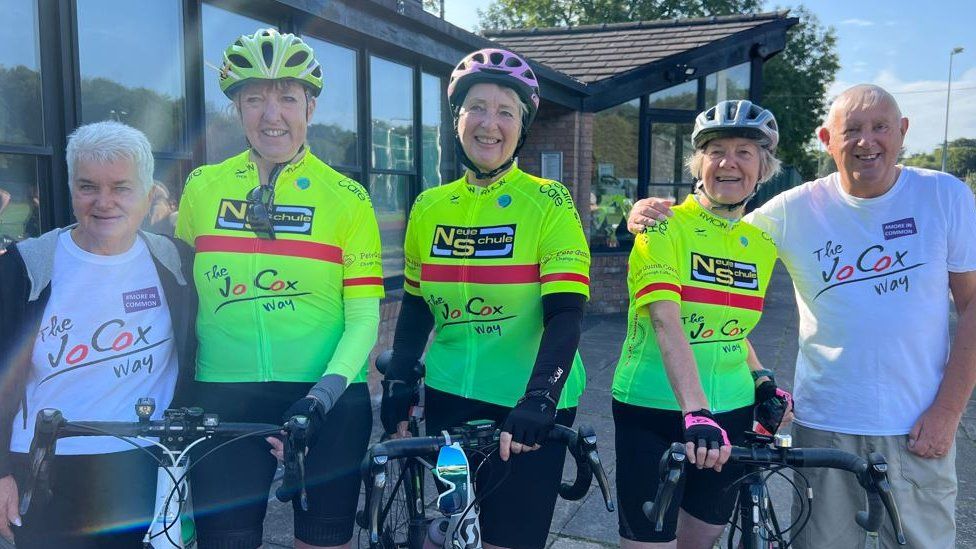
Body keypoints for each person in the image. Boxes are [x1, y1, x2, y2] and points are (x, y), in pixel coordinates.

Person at [627, 85, 976, 548]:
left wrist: (948, 412)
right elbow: (714, 229)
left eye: (880, 128)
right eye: (851, 130)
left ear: (903, 132)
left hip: (917, 423)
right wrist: (648, 214)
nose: (865, 141)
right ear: (827, 139)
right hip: (825, 422)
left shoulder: (943, 195)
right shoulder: (791, 211)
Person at [174, 28, 383, 549]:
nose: (272, 115)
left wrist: (321, 397)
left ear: (309, 107)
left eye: (287, 97)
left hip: (327, 399)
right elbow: (182, 298)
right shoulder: (202, 189)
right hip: (225, 394)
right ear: (236, 111)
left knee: (322, 541)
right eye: (254, 99)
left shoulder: (348, 198)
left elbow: (363, 318)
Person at [380, 48, 591, 549]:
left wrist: (541, 396)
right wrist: (401, 381)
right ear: (457, 119)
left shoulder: (549, 202)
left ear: (523, 127)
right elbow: (414, 307)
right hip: (451, 396)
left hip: (531, 401)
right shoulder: (429, 206)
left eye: (505, 111)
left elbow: (565, 314)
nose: (489, 123)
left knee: (510, 540)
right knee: (457, 532)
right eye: (477, 107)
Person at [0, 120, 197, 548]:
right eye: (88, 186)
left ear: (148, 195)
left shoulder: (175, 263)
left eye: (121, 188)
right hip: (46, 465)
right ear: (71, 187)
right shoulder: (27, 266)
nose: (103, 202)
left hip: (144, 462)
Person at [612, 100, 792, 549]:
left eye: (744, 152)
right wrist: (696, 410)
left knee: (701, 540)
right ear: (699, 162)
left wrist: (763, 378)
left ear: (763, 167)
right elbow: (666, 321)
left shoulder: (761, 242)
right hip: (653, 407)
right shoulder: (662, 226)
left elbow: (733, 328)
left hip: (730, 410)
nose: (729, 162)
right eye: (716, 150)